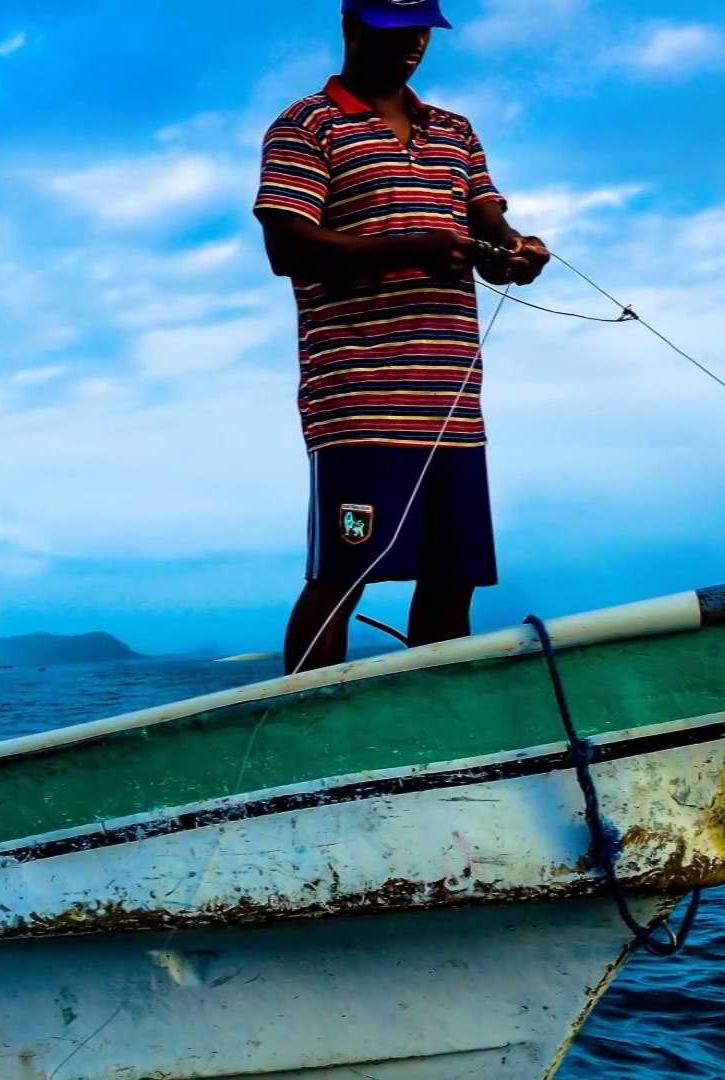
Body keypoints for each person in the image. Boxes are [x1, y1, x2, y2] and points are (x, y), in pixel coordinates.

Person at [254, 0, 552, 672]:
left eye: (422, 31)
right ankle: (309, 733)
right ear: (351, 30)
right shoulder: (306, 125)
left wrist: (515, 251)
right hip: (360, 397)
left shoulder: (454, 130)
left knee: (453, 577)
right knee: (342, 576)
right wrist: (406, 248)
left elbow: (488, 222)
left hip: (450, 399)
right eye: (394, 31)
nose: (413, 44)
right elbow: (286, 245)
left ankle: (433, 744)